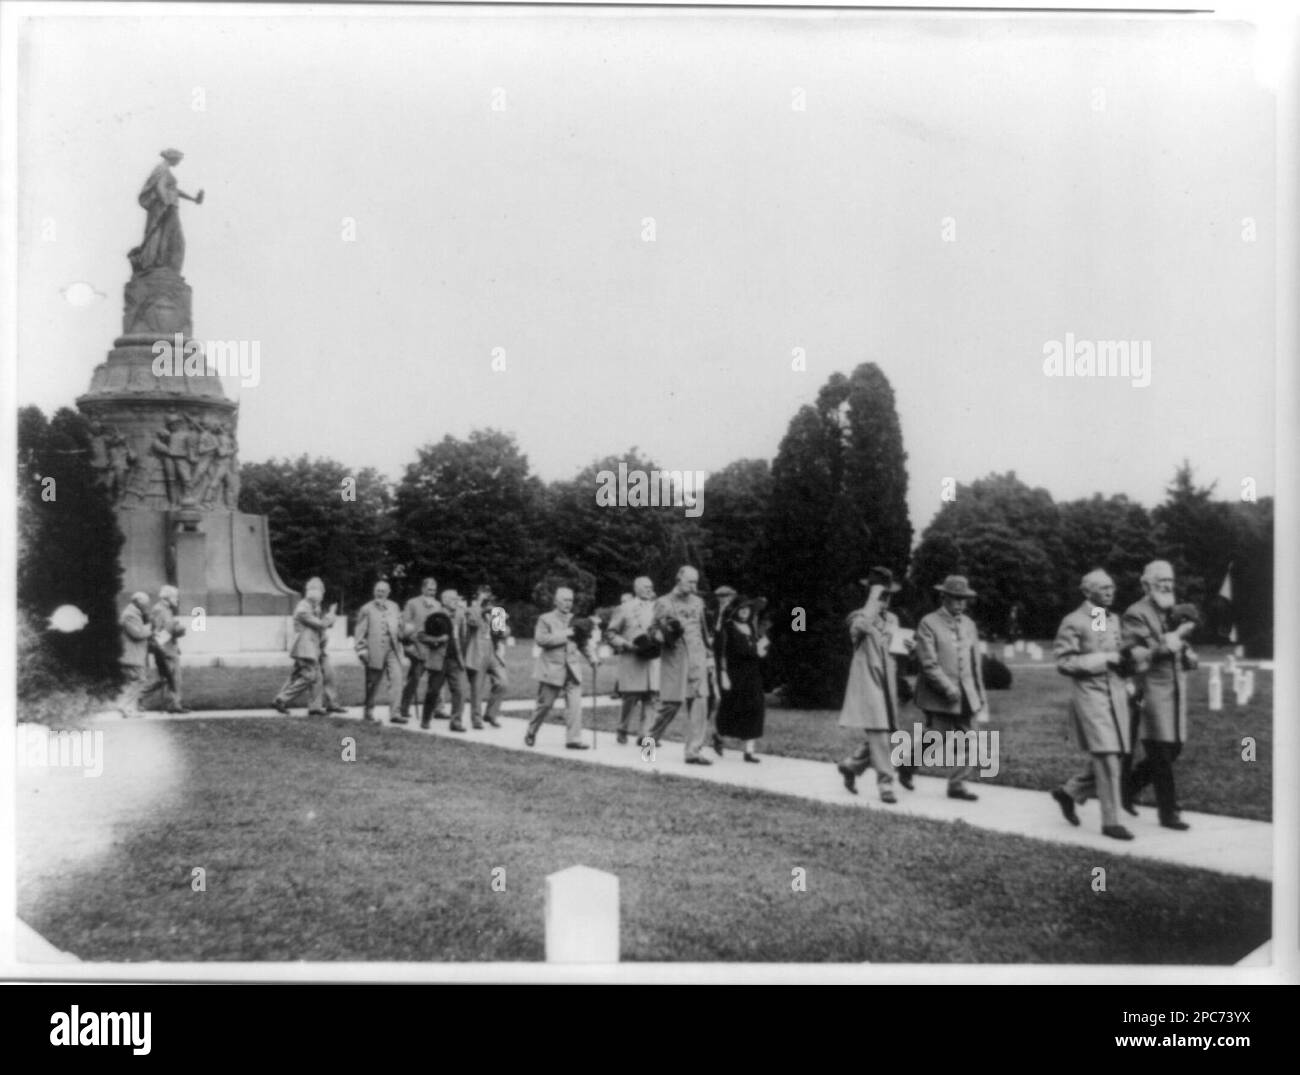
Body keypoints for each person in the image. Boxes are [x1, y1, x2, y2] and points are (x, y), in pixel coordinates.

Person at [1049, 569, 1135, 840]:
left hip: (1116, 695)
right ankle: (1111, 822)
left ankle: (1069, 792)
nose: (1111, 592)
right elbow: (1064, 663)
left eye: (1112, 587)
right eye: (1104, 588)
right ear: (1087, 592)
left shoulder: (1111, 619)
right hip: (1090, 697)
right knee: (1108, 757)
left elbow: (1115, 654)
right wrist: (1105, 660)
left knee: (1114, 753)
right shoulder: (1073, 621)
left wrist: (1128, 678)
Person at [1122, 560, 1199, 831]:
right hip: (1150, 689)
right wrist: (1174, 640)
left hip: (1175, 690)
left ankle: (1127, 788)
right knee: (1161, 753)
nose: (1167, 585)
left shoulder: (1170, 611)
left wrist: (1188, 654)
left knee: (1174, 748)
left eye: (1170, 581)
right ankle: (1169, 813)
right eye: (1160, 581)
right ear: (1146, 585)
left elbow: (1179, 645)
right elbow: (1140, 653)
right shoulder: (1136, 613)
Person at [914, 575, 987, 801]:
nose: (961, 603)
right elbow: (928, 663)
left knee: (971, 739)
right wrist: (946, 687)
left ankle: (957, 785)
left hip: (966, 692)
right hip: (941, 693)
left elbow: (975, 663)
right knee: (937, 737)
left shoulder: (969, 625)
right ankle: (908, 765)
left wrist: (979, 693)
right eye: (956, 598)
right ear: (943, 597)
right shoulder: (928, 623)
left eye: (964, 599)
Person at [836, 569, 904, 802]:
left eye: (888, 595)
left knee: (888, 733)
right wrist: (873, 599)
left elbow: (896, 649)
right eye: (881, 595)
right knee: (881, 734)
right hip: (868, 683)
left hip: (887, 683)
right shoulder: (858, 617)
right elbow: (862, 626)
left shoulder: (893, 620)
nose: (886, 600)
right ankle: (886, 784)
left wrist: (910, 648)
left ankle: (851, 765)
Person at [646, 566, 713, 765]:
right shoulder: (664, 602)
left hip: (697, 658)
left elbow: (704, 631)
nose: (694, 586)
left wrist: (709, 657)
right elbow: (652, 631)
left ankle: (693, 751)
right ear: (678, 579)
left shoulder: (699, 602)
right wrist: (665, 634)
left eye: (696, 582)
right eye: (690, 581)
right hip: (676, 659)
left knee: (700, 703)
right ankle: (648, 743)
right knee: (670, 706)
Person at [524, 587, 588, 749]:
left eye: (571, 600)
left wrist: (592, 658)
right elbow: (541, 640)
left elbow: (582, 643)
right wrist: (566, 633)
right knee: (545, 705)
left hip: (572, 669)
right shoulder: (545, 619)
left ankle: (573, 739)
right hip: (552, 669)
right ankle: (532, 730)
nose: (568, 604)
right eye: (565, 600)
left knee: (575, 706)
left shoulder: (576, 619)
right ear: (556, 601)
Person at [272, 577, 338, 716]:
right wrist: (331, 615)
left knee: (315, 677)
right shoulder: (303, 608)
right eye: (321, 592)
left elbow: (321, 627)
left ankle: (314, 708)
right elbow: (320, 625)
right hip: (305, 649)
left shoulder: (312, 607)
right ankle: (281, 699)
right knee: (309, 676)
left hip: (311, 649)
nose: (322, 596)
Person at [606, 576, 660, 744]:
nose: (649, 589)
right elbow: (610, 634)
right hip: (632, 660)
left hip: (653, 662)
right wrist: (626, 645)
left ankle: (646, 746)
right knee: (630, 698)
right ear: (636, 589)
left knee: (651, 700)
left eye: (651, 586)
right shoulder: (624, 608)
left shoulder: (658, 608)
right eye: (645, 587)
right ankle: (623, 728)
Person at [130, 148, 202, 274]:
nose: (179, 162)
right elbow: (159, 186)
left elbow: (175, 190)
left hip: (170, 206)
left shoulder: (166, 170)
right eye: (178, 160)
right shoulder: (162, 169)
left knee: (170, 237)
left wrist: (193, 198)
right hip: (166, 207)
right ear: (172, 158)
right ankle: (156, 263)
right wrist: (165, 202)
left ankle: (164, 266)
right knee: (168, 236)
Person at [715, 596, 768, 762]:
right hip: (734, 675)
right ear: (735, 610)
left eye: (748, 609)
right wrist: (723, 674)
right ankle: (718, 736)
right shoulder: (727, 628)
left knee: (755, 710)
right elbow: (722, 653)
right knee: (731, 709)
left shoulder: (751, 628)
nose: (745, 612)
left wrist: (760, 652)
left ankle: (749, 751)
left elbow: (754, 650)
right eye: (741, 609)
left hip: (752, 675)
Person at [354, 579, 406, 724]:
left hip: (393, 650)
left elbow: (400, 628)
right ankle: (368, 711)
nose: (380, 593)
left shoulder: (394, 607)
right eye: (378, 590)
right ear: (374, 591)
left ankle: (395, 713)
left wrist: (404, 632)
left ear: (388, 593)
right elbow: (360, 632)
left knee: (397, 679)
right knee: (373, 683)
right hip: (374, 650)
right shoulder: (366, 609)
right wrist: (361, 650)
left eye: (383, 591)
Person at [428, 589, 475, 731]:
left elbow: (464, 636)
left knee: (460, 690)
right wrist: (436, 641)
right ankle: (427, 716)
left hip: (455, 659)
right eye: (453, 599)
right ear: (444, 601)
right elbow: (424, 635)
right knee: (433, 690)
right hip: (439, 658)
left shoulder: (461, 614)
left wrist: (462, 654)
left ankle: (456, 721)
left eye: (457, 599)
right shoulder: (435, 614)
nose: (456, 601)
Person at [399, 578, 442, 723]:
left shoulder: (437, 605)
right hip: (417, 646)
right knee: (415, 677)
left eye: (434, 590)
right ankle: (403, 707)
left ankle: (438, 708)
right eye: (429, 589)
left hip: (434, 646)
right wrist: (411, 642)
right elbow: (405, 624)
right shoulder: (412, 603)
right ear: (423, 589)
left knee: (437, 677)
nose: (432, 593)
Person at [142, 585, 189, 713]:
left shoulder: (166, 609)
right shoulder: (160, 610)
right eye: (175, 597)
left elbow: (167, 627)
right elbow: (157, 631)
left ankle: (174, 704)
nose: (177, 600)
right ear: (168, 597)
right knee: (168, 678)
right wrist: (176, 631)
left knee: (170, 678)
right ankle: (136, 697)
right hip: (165, 650)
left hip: (169, 648)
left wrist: (176, 629)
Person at [463, 586, 500, 728]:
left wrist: (500, 622)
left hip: (492, 651)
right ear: (477, 596)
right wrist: (481, 609)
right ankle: (476, 718)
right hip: (477, 650)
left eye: (489, 595)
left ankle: (490, 714)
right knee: (477, 687)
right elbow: (472, 623)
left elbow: (501, 633)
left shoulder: (496, 611)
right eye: (484, 595)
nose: (487, 598)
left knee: (502, 683)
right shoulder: (471, 610)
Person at [708, 585, 738, 756]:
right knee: (714, 699)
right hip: (713, 660)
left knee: (724, 699)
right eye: (721, 596)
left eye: (727, 596)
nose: (725, 599)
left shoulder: (736, 614)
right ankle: (716, 734)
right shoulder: (711, 612)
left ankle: (718, 734)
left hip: (729, 662)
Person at [115, 591, 154, 716]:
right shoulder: (130, 615)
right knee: (138, 680)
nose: (147, 606)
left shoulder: (133, 613)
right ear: (137, 602)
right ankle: (124, 705)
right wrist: (150, 629)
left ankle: (128, 708)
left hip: (134, 654)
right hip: (132, 655)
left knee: (136, 680)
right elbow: (137, 634)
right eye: (145, 603)